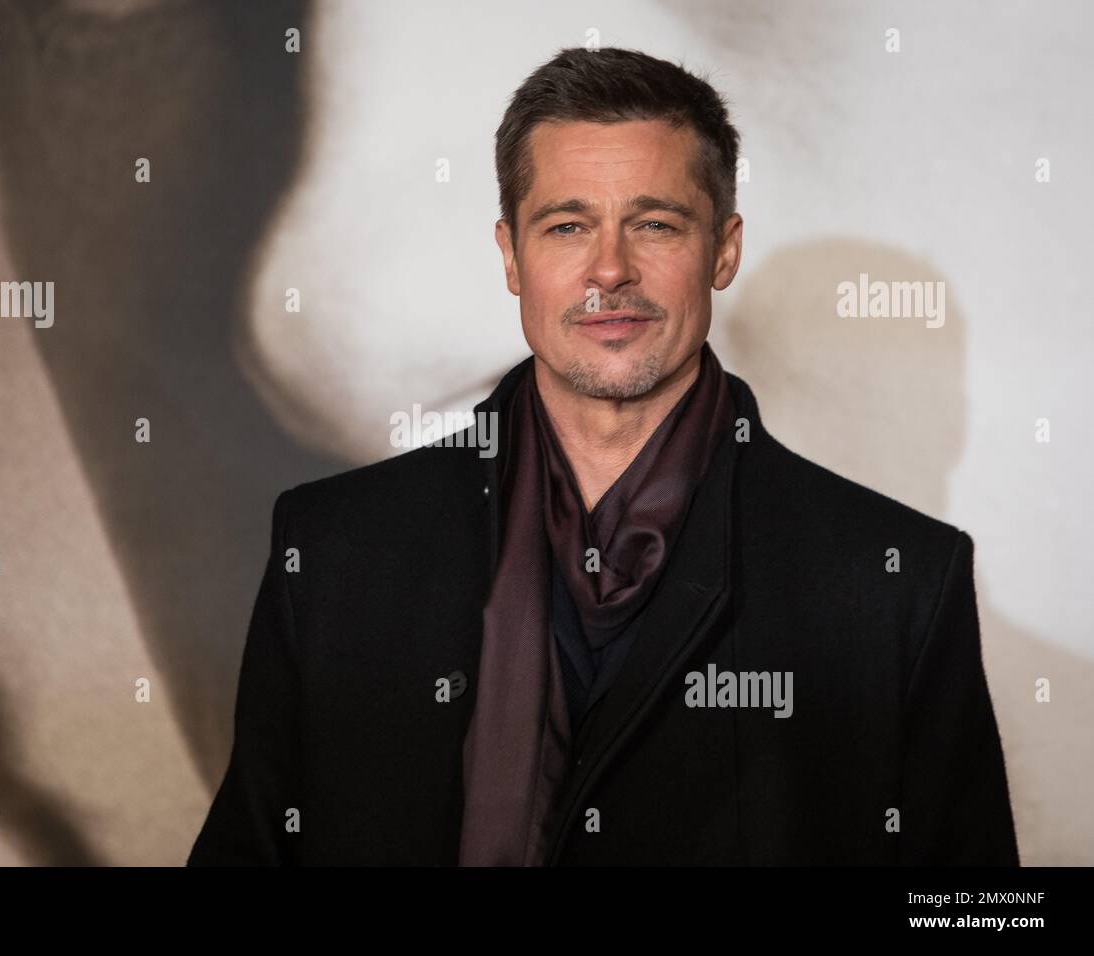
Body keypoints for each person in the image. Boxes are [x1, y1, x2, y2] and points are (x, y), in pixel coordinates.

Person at [187, 46, 1018, 866]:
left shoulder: (893, 582)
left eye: (655, 224)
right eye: (568, 225)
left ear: (723, 250)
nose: (610, 269)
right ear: (512, 256)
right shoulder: (333, 551)